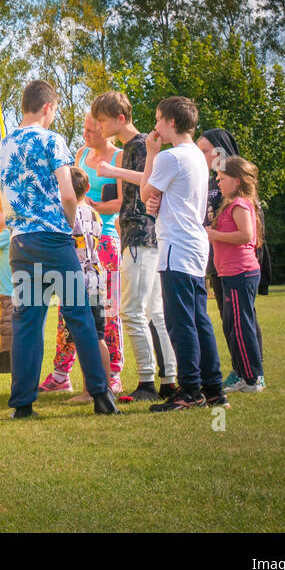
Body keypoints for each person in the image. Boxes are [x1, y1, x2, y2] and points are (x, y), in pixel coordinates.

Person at [0, 79, 118, 418]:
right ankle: (101, 397)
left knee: (28, 321)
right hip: (53, 238)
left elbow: (4, 196)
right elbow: (68, 193)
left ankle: (22, 405)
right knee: (79, 316)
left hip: (20, 242)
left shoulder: (3, 144)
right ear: (48, 108)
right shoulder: (52, 140)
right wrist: (66, 224)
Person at [138, 96, 228, 412]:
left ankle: (190, 390)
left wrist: (151, 153)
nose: (156, 126)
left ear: (171, 122)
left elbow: (146, 192)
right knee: (198, 318)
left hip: (176, 245)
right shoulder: (195, 157)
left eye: (159, 119)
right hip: (195, 244)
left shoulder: (170, 157)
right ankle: (214, 388)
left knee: (180, 322)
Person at [90, 91, 178, 402]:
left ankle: (146, 382)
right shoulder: (131, 146)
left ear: (120, 119)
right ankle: (168, 380)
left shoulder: (139, 145)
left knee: (131, 311)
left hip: (141, 236)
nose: (99, 127)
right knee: (154, 312)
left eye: (102, 121)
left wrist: (113, 172)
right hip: (136, 234)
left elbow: (150, 179)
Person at [39, 114, 123, 394]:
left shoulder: (118, 157)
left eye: (90, 129)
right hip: (94, 270)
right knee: (86, 328)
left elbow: (119, 202)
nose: (86, 134)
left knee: (99, 323)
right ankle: (79, 379)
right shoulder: (94, 215)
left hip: (88, 264)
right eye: (84, 129)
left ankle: (103, 380)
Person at [198, 128, 268, 391]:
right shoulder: (216, 188)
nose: (218, 181)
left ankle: (252, 374)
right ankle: (242, 372)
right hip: (223, 267)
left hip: (240, 267)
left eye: (205, 150)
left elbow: (248, 234)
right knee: (231, 321)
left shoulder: (238, 199)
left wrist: (214, 234)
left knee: (242, 321)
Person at [58, 168, 114, 405]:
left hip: (76, 279)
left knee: (83, 337)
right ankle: (107, 385)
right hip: (97, 277)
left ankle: (88, 390)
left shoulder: (66, 215)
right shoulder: (95, 215)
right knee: (99, 336)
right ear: (87, 189)